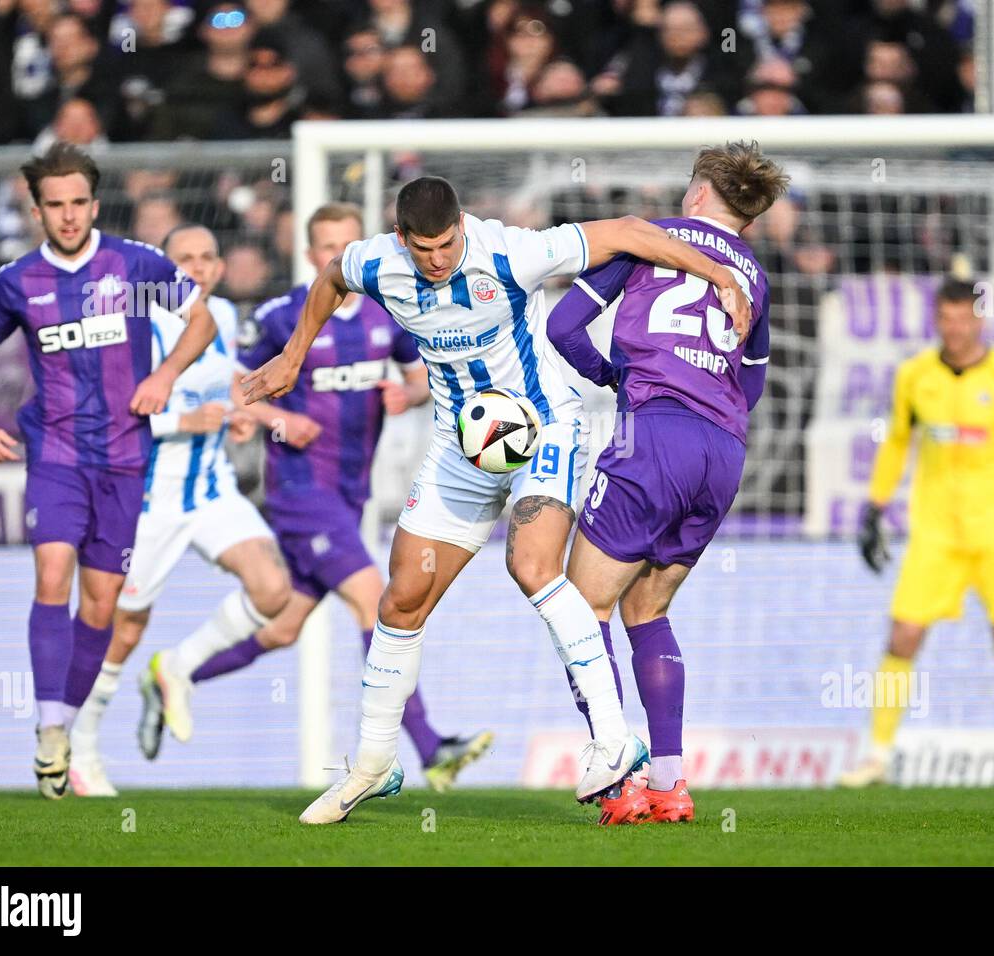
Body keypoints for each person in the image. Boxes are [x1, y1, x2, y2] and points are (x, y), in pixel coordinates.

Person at [241, 176, 752, 824]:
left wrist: (720, 275)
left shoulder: (511, 252)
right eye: (424, 249)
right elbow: (330, 280)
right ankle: (372, 764)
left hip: (543, 428)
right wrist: (292, 357)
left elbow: (627, 232)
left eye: (447, 244)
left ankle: (612, 741)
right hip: (463, 445)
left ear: (463, 225)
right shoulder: (376, 262)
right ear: (401, 239)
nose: (437, 260)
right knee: (401, 598)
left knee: (532, 565)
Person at [154, 203, 492, 792]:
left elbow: (417, 377)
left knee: (284, 626)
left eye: (347, 244)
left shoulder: (388, 312)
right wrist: (279, 420)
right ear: (312, 255)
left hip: (350, 495)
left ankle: (174, 672)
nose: (338, 255)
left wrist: (408, 396)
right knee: (374, 599)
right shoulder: (283, 315)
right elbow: (234, 383)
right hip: (300, 492)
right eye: (327, 247)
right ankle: (428, 747)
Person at [0, 142, 216, 799]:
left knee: (101, 604)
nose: (68, 215)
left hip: (125, 459)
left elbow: (201, 321)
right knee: (52, 573)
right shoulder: (17, 281)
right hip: (57, 454)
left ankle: (65, 729)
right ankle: (48, 727)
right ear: (37, 211)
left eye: (78, 203)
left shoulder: (135, 264)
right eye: (55, 205)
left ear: (95, 205)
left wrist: (163, 375)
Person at [546, 141, 787, 824]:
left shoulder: (648, 238)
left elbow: (563, 326)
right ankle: (671, 783)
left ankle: (618, 773)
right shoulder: (753, 277)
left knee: (581, 606)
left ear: (700, 192)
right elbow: (753, 385)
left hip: (653, 434)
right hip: (723, 451)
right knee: (647, 610)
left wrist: (614, 376)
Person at [65, 223, 288, 797]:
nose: (197, 267)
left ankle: (178, 667)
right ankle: (79, 748)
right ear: (161, 268)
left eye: (207, 257)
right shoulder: (134, 325)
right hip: (146, 501)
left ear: (220, 266)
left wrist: (242, 414)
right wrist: (180, 421)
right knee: (123, 628)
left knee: (272, 588)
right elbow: (104, 417)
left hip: (210, 489)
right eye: (184, 258)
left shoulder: (225, 318)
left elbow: (223, 385)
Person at [841, 277, 994, 788]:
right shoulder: (915, 376)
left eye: (962, 319)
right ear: (937, 320)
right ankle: (878, 757)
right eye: (945, 319)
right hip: (935, 535)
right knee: (902, 636)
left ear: (979, 320)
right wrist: (874, 510)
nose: (954, 329)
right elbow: (897, 442)